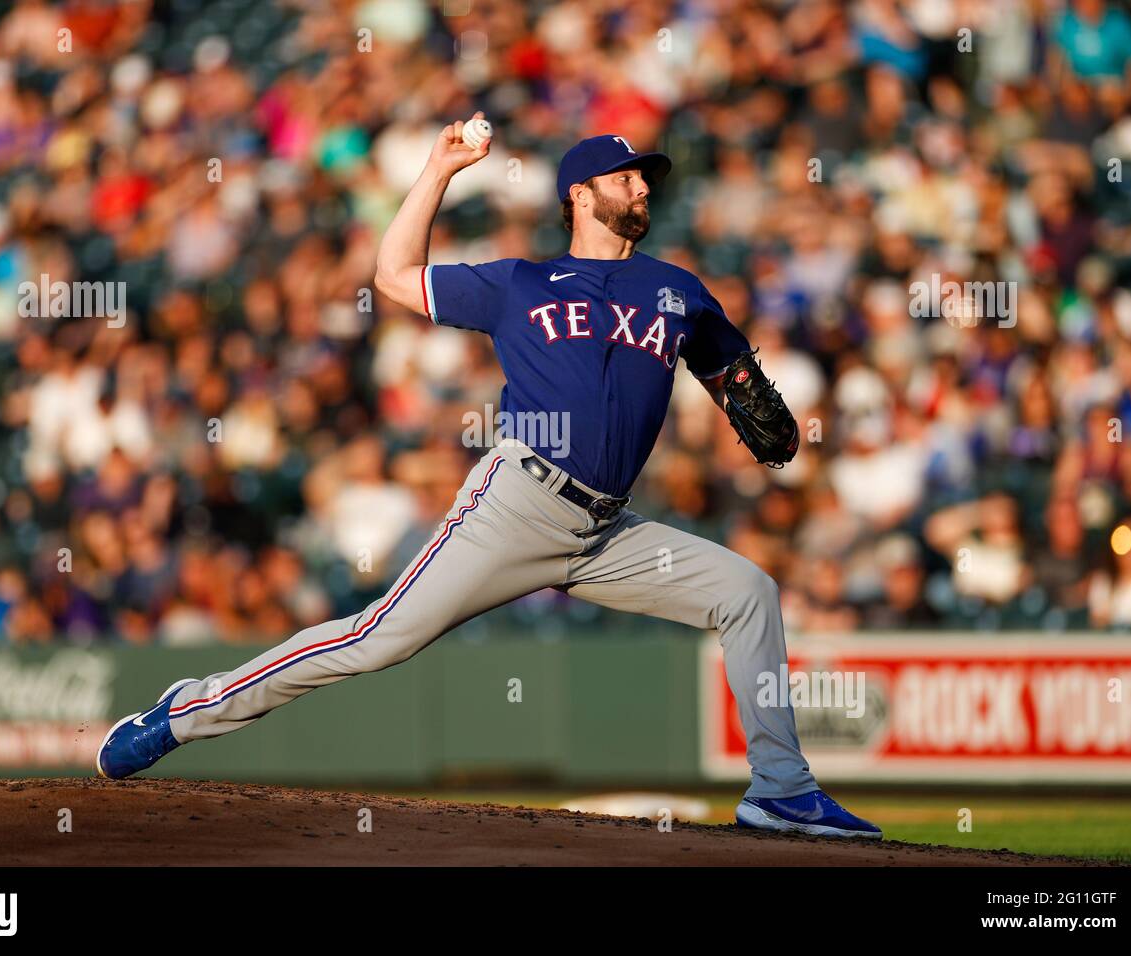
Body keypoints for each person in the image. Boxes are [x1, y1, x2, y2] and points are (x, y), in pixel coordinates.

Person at [97, 114, 881, 840]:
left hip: (606, 530)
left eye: (646, 177)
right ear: (581, 194)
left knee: (748, 593)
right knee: (376, 640)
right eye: (627, 176)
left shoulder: (675, 291)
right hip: (517, 504)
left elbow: (734, 378)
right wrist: (440, 168)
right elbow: (396, 273)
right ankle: (182, 715)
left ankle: (779, 786)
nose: (643, 186)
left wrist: (748, 396)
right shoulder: (520, 283)